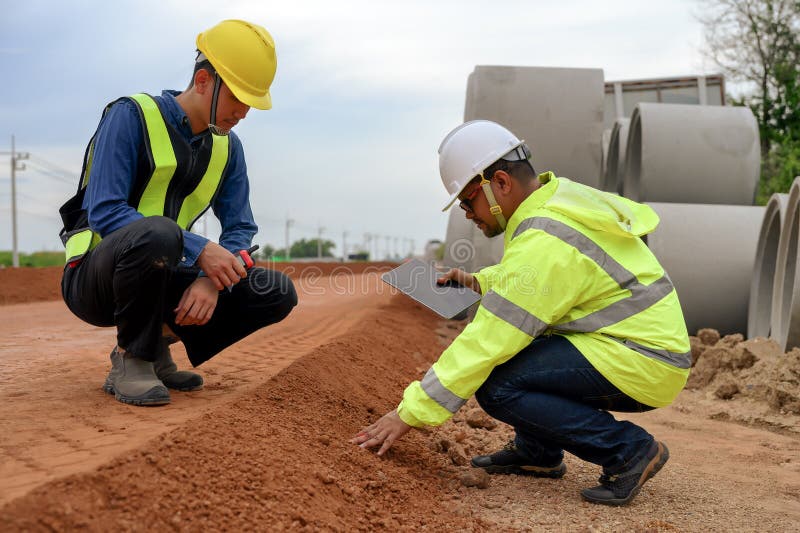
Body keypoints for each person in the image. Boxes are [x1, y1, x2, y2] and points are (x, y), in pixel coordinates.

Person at [351, 120, 690, 506]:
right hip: (639, 346)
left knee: (498, 382)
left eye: (467, 201)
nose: (467, 214)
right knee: (524, 352)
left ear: (500, 182)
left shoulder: (544, 239)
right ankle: (538, 455)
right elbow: (546, 279)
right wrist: (479, 281)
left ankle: (627, 450)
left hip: (644, 359)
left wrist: (408, 414)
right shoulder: (556, 202)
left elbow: (486, 341)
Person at [58, 20, 297, 407]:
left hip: (164, 269)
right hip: (94, 277)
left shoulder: (228, 148)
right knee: (160, 232)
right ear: (203, 81)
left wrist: (209, 280)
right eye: (238, 96)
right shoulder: (131, 115)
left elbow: (241, 228)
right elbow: (104, 211)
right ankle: (133, 358)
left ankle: (152, 347)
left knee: (276, 291)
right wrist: (200, 248)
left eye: (252, 102)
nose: (244, 112)